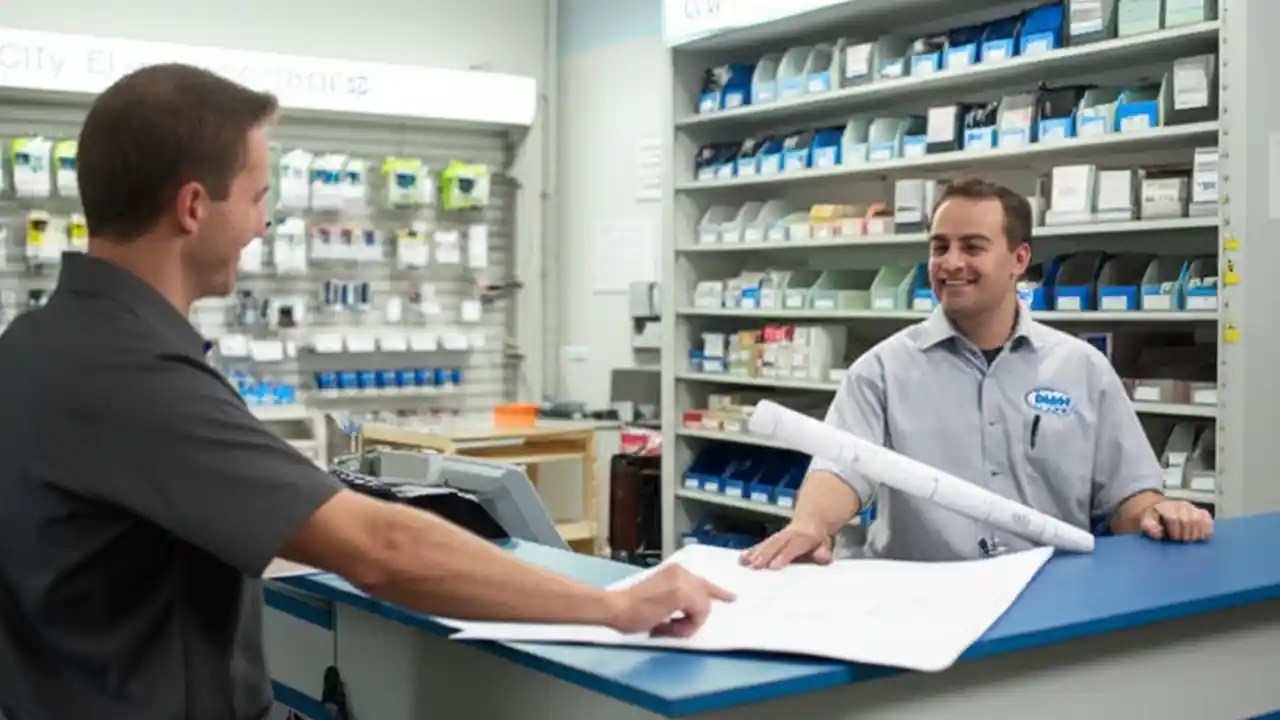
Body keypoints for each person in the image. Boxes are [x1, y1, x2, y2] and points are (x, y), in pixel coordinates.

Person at [0, 64, 732, 720]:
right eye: (257, 198)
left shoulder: (33, 346)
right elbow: (379, 549)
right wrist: (612, 604)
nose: (263, 223)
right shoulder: (135, 376)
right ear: (194, 207)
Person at [741, 177, 1214, 569]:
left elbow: (1126, 498)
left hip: (1051, 596)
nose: (950, 264)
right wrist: (810, 524)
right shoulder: (881, 372)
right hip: (922, 603)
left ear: (1019, 260)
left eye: (973, 247)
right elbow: (841, 469)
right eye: (939, 246)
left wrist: (1158, 514)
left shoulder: (1081, 369)